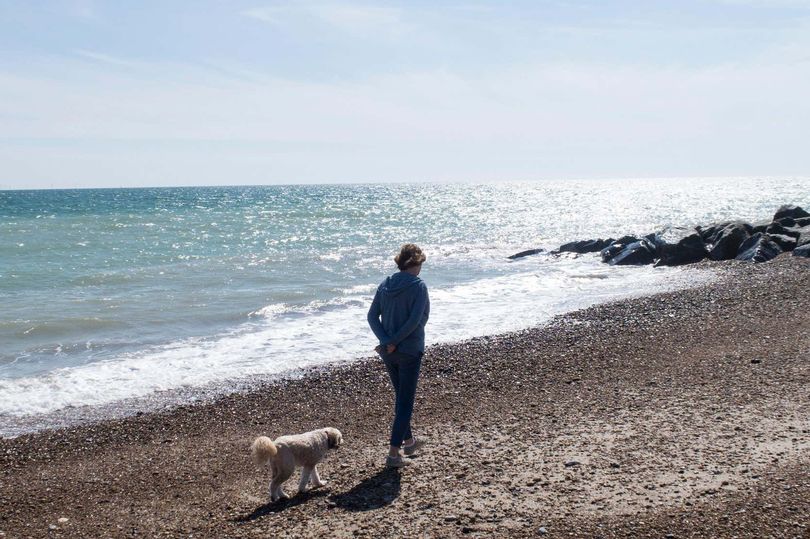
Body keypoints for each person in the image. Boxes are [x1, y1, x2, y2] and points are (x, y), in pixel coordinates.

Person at [367, 243, 430, 468]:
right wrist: (392, 341)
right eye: (421, 263)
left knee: (401, 397)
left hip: (388, 352)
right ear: (416, 263)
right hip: (409, 351)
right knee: (405, 403)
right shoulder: (418, 286)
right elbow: (416, 320)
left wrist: (386, 341)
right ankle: (393, 455)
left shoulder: (386, 284)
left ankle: (410, 442)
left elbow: (372, 317)